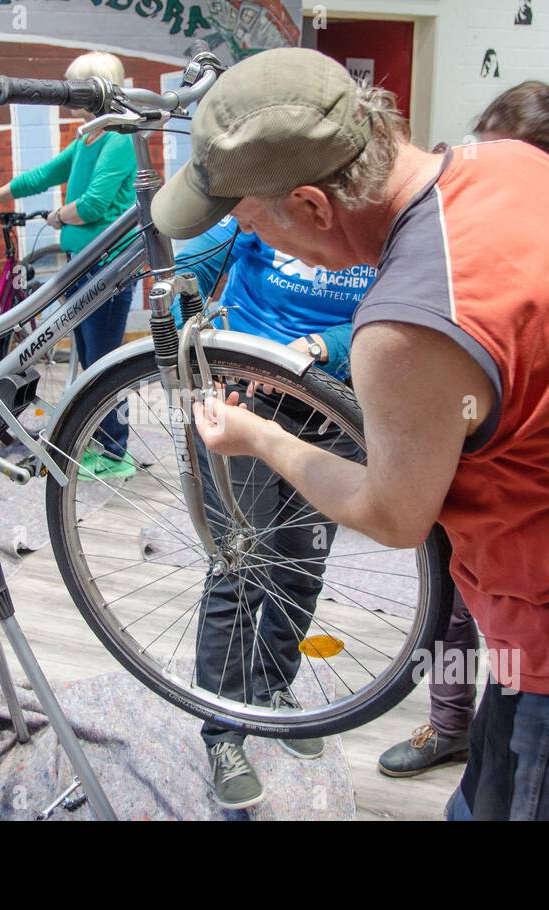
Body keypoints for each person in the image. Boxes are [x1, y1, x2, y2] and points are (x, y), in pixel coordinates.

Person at [153, 47, 549, 821]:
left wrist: (258, 437)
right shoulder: (518, 167)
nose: (259, 242)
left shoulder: (404, 328)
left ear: (315, 206)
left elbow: (395, 516)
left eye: (254, 224)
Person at [376, 79, 549, 778]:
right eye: (478, 148)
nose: (479, 167)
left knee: (512, 616)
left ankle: (505, 733)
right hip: (472, 440)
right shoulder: (466, 206)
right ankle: (451, 725)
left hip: (538, 482)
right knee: (455, 601)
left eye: (499, 153)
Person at [170, 215, 376, 807]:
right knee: (238, 568)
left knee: (303, 566)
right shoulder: (264, 209)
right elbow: (185, 275)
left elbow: (383, 314)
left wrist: (319, 347)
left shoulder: (374, 224)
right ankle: (223, 730)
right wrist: (204, 354)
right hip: (248, 401)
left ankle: (272, 686)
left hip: (333, 406)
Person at [0, 51, 138, 481]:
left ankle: (114, 451)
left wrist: (58, 216)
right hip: (81, 264)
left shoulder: (120, 140)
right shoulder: (86, 141)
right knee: (87, 355)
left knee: (103, 362)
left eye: (76, 86)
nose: (68, 94)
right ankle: (94, 441)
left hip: (108, 267)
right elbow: (39, 176)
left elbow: (94, 204)